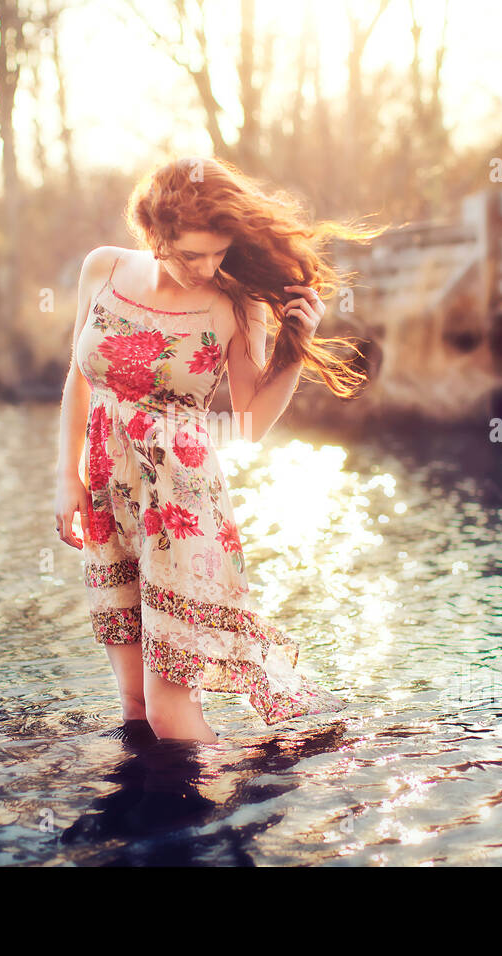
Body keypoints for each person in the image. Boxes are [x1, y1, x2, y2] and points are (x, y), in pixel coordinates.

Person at [53, 157, 386, 744]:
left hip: (182, 507)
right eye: (191, 254)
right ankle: (153, 830)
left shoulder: (236, 304)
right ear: (153, 235)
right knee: (133, 703)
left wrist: (293, 349)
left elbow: (250, 421)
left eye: (218, 252)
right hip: (110, 493)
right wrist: (68, 476)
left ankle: (228, 828)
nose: (207, 267)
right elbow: (80, 378)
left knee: (169, 713)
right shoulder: (100, 269)